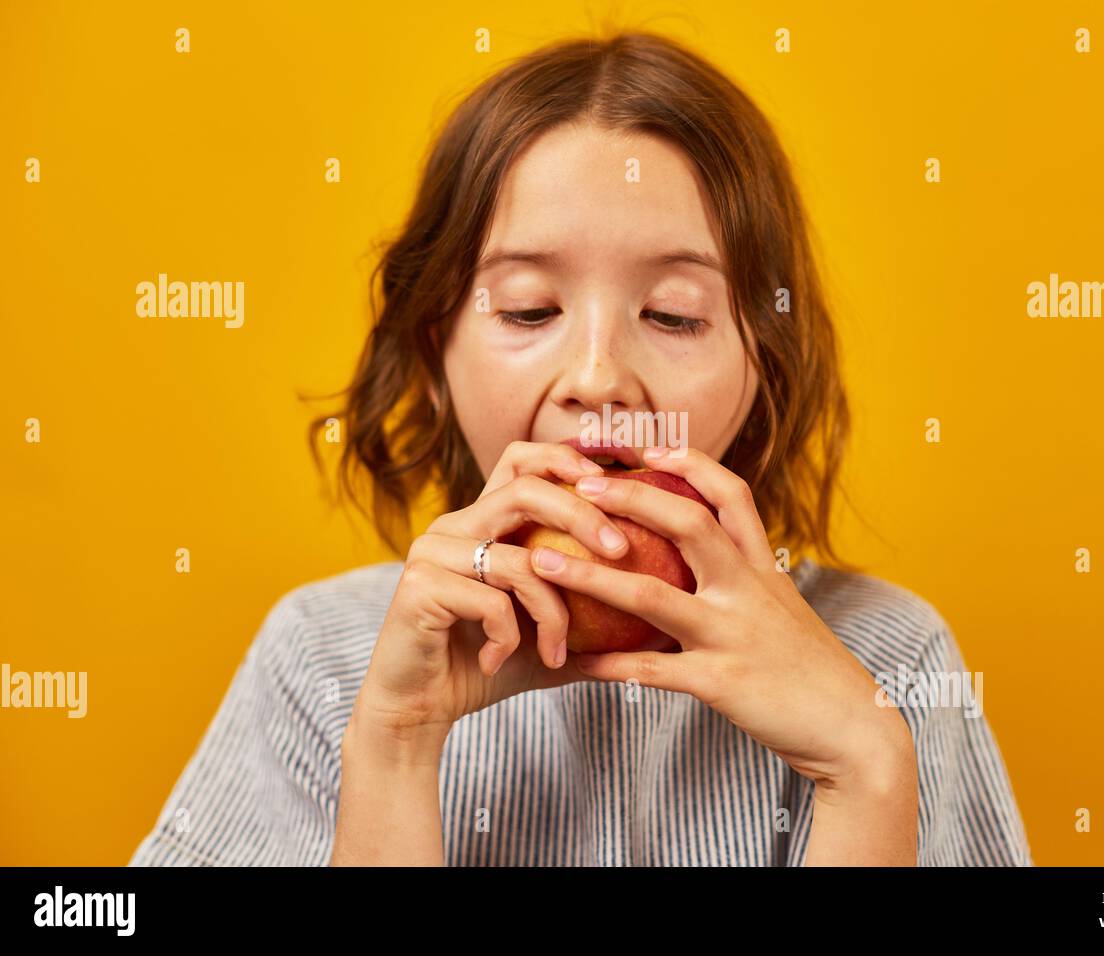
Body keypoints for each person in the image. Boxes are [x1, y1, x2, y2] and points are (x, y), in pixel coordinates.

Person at [129, 31, 1031, 867]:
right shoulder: (324, 661)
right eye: (526, 309)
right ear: (435, 354)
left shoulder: (891, 665)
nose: (598, 378)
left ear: (766, 366)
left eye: (675, 314)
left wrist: (867, 773)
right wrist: (394, 746)